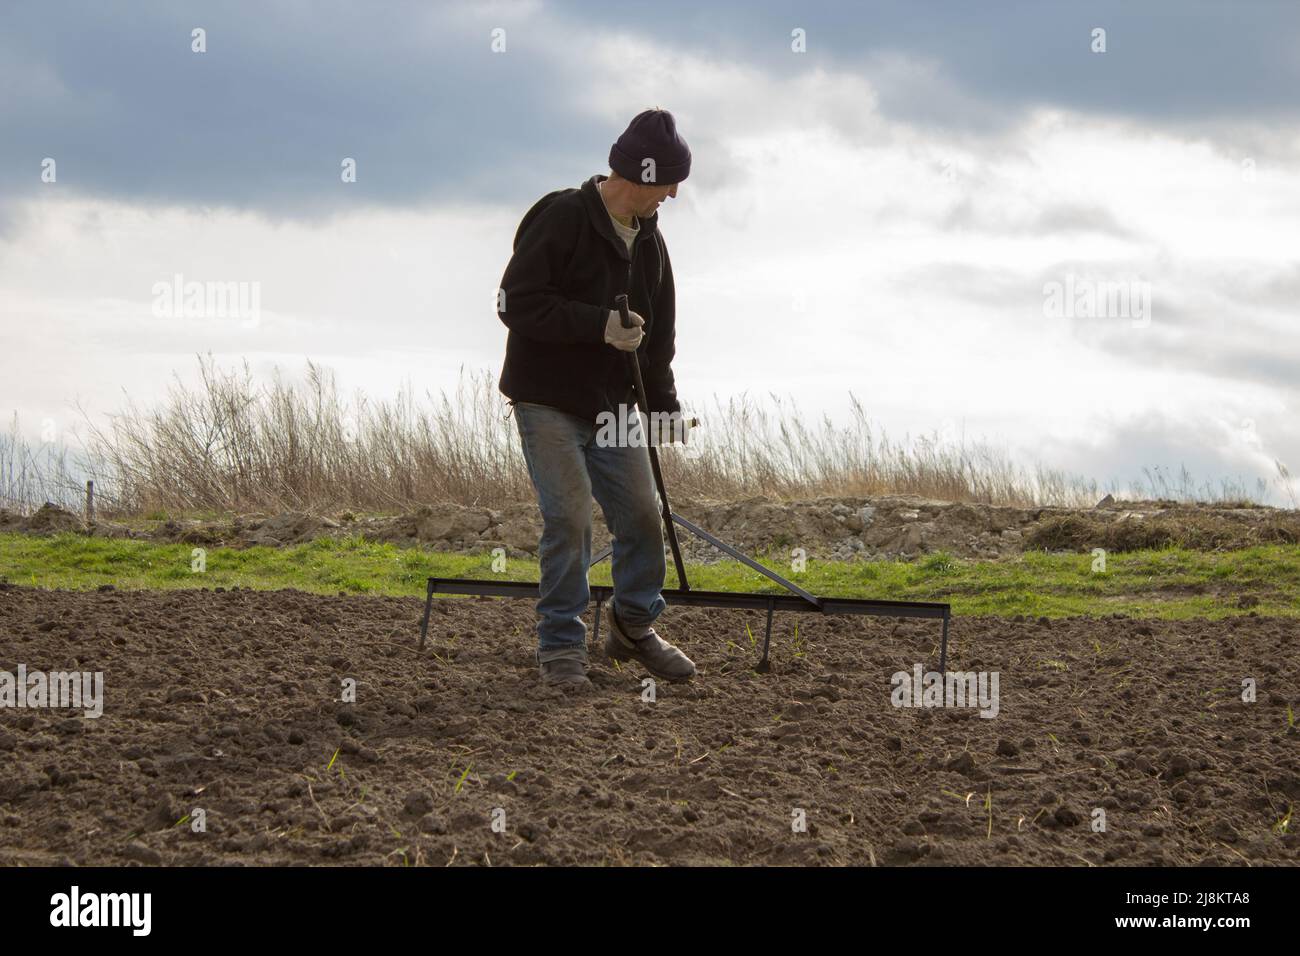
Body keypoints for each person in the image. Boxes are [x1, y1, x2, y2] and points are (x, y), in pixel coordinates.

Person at [496, 108, 697, 689]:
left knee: (640, 514)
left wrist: (663, 411)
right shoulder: (561, 217)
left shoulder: (653, 248)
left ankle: (633, 627)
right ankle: (560, 647)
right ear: (638, 173)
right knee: (572, 519)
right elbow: (515, 303)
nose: (674, 194)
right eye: (669, 183)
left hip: (614, 408)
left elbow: (658, 340)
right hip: (548, 401)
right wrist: (596, 325)